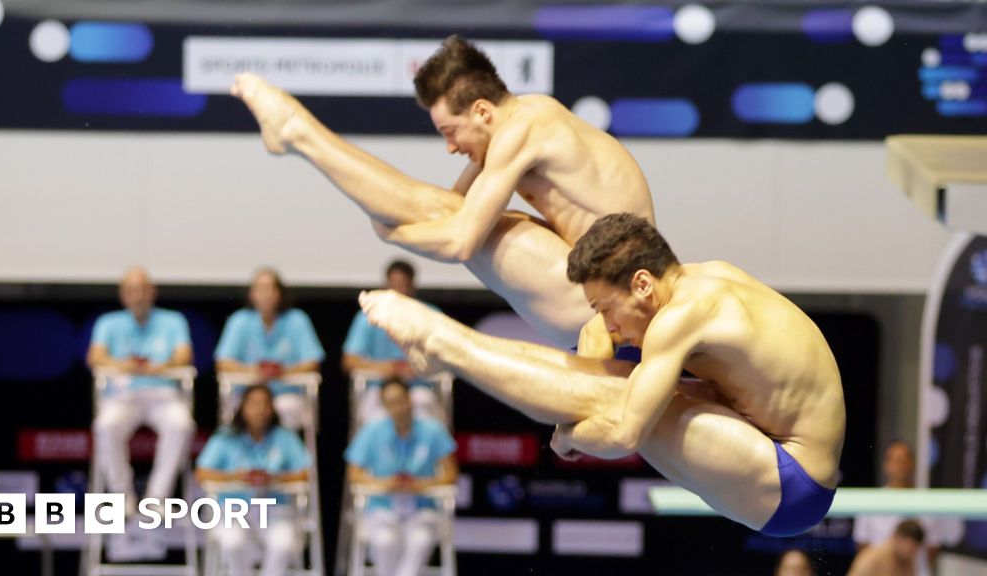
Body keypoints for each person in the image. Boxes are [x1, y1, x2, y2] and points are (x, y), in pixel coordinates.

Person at [359, 213, 846, 536]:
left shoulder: (681, 318)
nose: (611, 325)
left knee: (618, 399)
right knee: (610, 381)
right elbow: (597, 332)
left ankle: (451, 346)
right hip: (766, 443)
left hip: (791, 482)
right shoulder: (701, 277)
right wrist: (596, 343)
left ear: (641, 283)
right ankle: (450, 350)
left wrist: (569, 437)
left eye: (609, 309)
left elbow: (624, 435)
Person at [230, 35, 653, 351]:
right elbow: (449, 205)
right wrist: (405, 218)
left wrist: (395, 235)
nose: (451, 147)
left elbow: (460, 240)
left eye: (451, 132)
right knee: (426, 208)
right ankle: (297, 135)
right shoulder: (525, 115)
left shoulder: (524, 130)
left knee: (425, 213)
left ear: (483, 111)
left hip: (602, 304)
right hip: (598, 292)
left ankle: (299, 133)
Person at [87, 267, 195, 514]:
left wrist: (158, 367)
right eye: (132, 291)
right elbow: (96, 357)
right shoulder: (108, 322)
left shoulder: (173, 320)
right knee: (105, 425)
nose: (138, 296)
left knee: (181, 424)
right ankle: (122, 496)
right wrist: (127, 366)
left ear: (153, 292)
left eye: (143, 289)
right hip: (121, 396)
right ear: (123, 295)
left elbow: (184, 356)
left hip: (163, 394)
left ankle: (157, 498)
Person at [345, 377, 458, 576]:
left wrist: (423, 484)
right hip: (383, 507)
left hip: (421, 509)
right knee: (384, 541)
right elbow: (354, 474)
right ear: (384, 406)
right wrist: (384, 483)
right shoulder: (372, 431)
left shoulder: (433, 430)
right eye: (390, 403)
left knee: (421, 540)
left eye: (400, 400)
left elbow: (451, 473)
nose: (397, 407)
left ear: (409, 400)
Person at [196, 384, 312, 576]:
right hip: (234, 507)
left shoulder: (285, 437)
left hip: (274, 507)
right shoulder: (226, 436)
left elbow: (304, 473)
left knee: (283, 543)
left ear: (272, 408)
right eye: (254, 403)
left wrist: (275, 479)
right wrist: (236, 477)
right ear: (242, 407)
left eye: (265, 404)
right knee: (232, 541)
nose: (259, 409)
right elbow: (202, 473)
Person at [215, 267, 325, 430]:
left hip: (285, 393)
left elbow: (313, 361)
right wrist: (255, 372)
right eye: (260, 289)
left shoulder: (297, 320)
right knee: (247, 409)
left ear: (280, 293)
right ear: (251, 294)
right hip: (246, 393)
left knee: (285, 408)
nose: (266, 294)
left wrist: (282, 372)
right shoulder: (240, 320)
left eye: (271, 288)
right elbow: (223, 362)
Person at [342, 260, 444, 423]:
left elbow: (446, 357)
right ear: (385, 285)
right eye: (394, 285)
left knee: (425, 407)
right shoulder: (368, 315)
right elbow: (349, 361)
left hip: (418, 388)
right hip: (379, 388)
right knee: (372, 413)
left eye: (404, 285)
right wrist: (386, 368)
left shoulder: (429, 315)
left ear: (412, 286)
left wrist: (419, 368)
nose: (399, 291)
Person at [852, 440, 963, 576]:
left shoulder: (928, 502)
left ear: (912, 464)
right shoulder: (870, 502)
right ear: (886, 464)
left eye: (904, 460)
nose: (900, 466)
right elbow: (863, 546)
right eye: (895, 460)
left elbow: (932, 548)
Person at [847, 519, 925, 576]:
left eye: (915, 549)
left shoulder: (908, 560)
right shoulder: (871, 559)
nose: (911, 552)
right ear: (898, 538)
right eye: (910, 547)